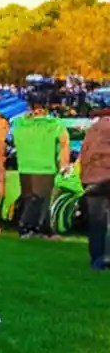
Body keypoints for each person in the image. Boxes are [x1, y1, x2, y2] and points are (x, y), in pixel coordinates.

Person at [12, 96, 69, 239]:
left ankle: (39, 229)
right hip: (44, 166)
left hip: (25, 166)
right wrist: (64, 165)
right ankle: (26, 228)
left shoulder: (20, 123)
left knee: (29, 198)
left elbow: (14, 139)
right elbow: (64, 144)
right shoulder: (54, 124)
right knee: (40, 199)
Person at [80, 110, 110, 270]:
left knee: (97, 221)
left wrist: (83, 177)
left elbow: (84, 155)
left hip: (93, 178)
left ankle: (97, 258)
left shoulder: (93, 130)